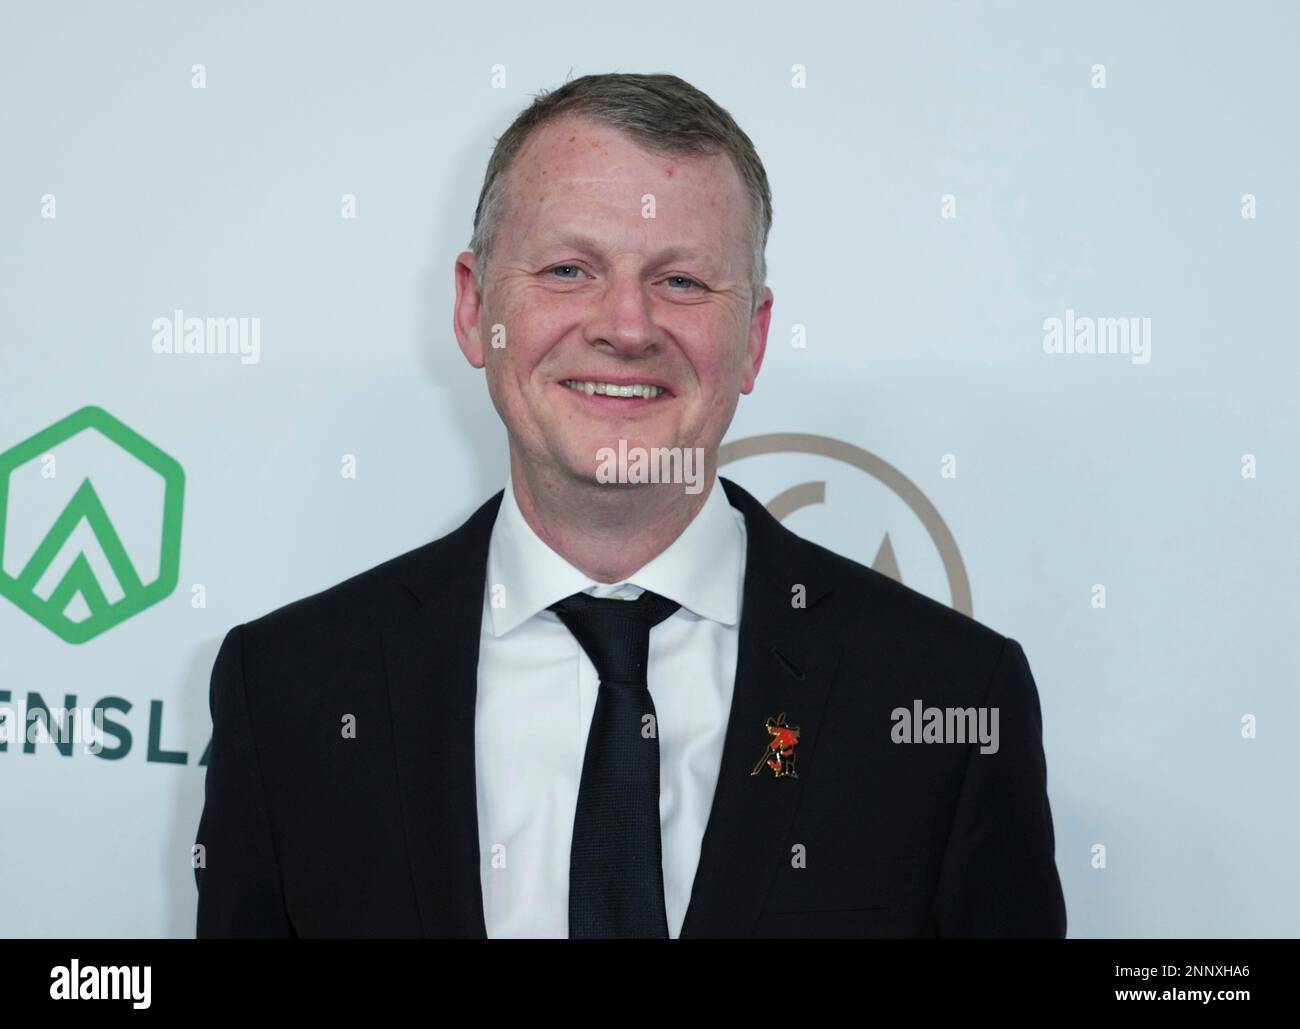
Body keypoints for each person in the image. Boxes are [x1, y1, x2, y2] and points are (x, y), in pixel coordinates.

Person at [194, 71, 1067, 938]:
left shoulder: (949, 696)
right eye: (569, 269)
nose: (628, 325)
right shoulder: (286, 692)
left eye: (682, 282)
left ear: (754, 339)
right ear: (472, 309)